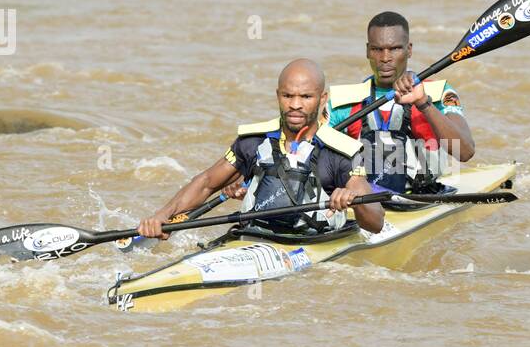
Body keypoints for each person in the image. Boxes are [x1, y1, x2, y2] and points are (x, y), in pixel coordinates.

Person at [137, 58, 384, 240]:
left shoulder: (340, 152)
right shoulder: (253, 142)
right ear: (278, 95)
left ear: (322, 99)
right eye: (288, 96)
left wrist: (355, 201)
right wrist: (163, 214)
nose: (295, 105)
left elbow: (375, 222)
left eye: (306, 97)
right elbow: (206, 183)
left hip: (313, 241)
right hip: (254, 237)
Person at [327, 11, 475, 194]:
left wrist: (423, 103)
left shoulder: (438, 93)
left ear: (409, 49)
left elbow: (466, 152)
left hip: (422, 197)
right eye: (377, 49)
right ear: (367, 51)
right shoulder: (343, 101)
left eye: (395, 48)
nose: (385, 58)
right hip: (363, 200)